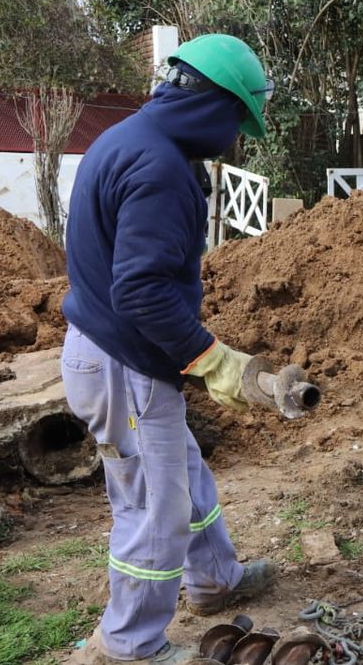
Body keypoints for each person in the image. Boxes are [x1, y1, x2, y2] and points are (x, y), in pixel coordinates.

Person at [62, 34, 276, 664]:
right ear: (213, 105)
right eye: (238, 120)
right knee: (154, 508)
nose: (236, 137)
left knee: (182, 475)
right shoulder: (157, 168)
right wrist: (211, 360)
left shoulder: (134, 139)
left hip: (120, 355)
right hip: (125, 362)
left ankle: (214, 581)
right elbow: (143, 290)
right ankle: (130, 644)